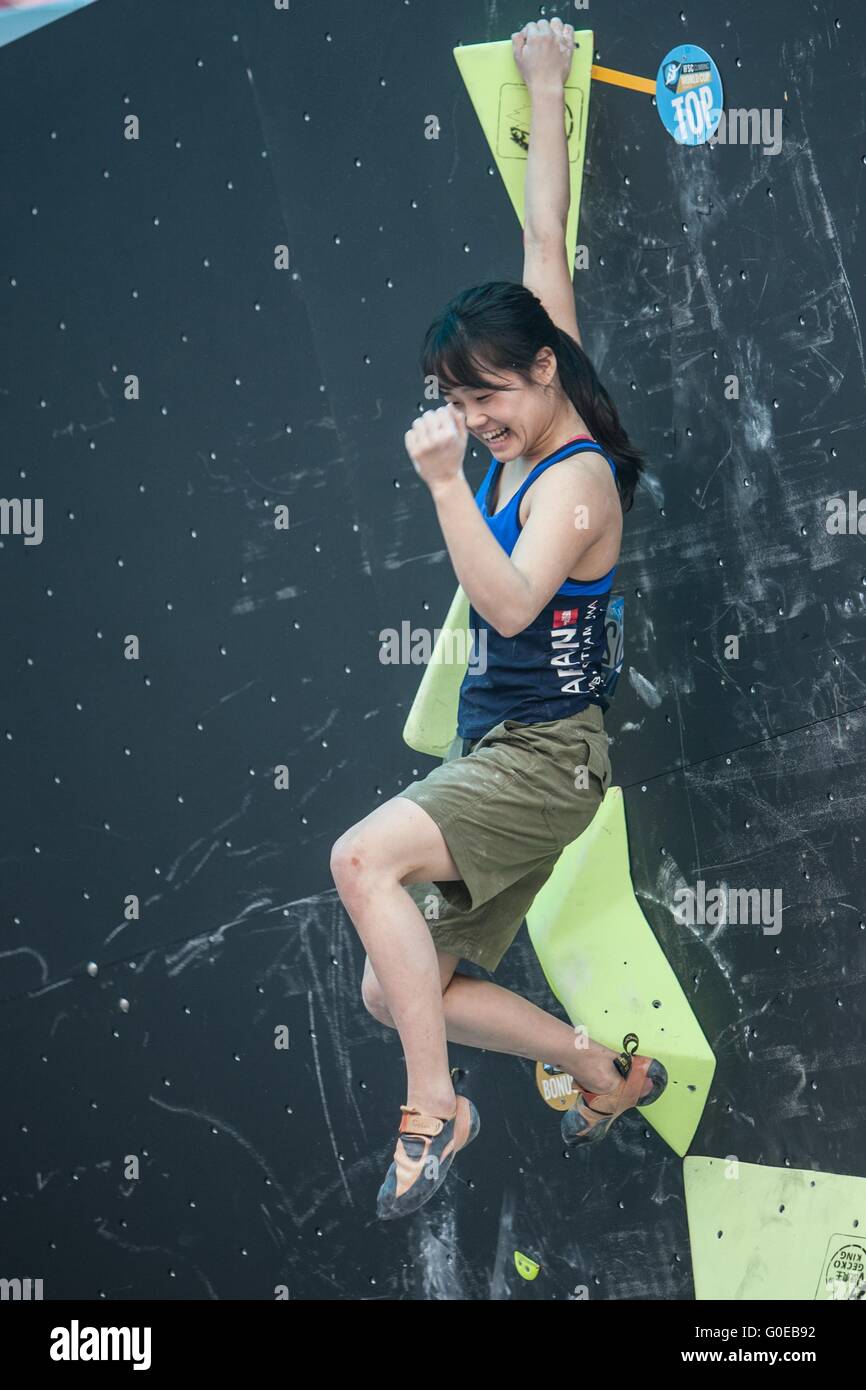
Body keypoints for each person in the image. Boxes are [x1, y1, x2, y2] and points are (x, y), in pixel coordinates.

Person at [330, 18, 666, 1221]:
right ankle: (593, 1070)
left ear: (537, 375)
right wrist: (545, 84)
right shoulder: (546, 368)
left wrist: (436, 488)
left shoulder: (573, 480)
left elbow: (512, 599)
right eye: (455, 403)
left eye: (484, 397)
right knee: (394, 983)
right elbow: (542, 232)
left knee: (359, 857)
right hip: (510, 759)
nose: (472, 419)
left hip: (546, 757)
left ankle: (437, 1110)